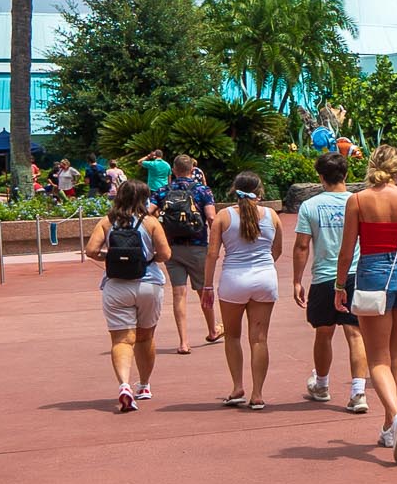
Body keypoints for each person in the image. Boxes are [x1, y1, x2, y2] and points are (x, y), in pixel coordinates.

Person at [336, 144, 397, 463]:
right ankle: (389, 425)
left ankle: (396, 415)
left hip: (373, 273)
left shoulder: (358, 200)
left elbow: (347, 251)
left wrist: (339, 285)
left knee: (376, 358)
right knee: (394, 353)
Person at [84, 179, 172, 413]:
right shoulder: (151, 222)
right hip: (149, 284)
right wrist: (143, 257)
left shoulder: (106, 222)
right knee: (145, 337)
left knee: (121, 340)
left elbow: (91, 250)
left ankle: (124, 384)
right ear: (144, 198)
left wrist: (112, 257)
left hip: (117, 286)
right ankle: (143, 385)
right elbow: (165, 254)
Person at [292, 152, 368, 413]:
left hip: (325, 275)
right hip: (356, 274)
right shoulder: (359, 202)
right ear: (345, 175)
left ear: (321, 177)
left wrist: (296, 280)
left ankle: (322, 384)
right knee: (355, 333)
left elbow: (302, 245)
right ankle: (358, 392)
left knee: (323, 331)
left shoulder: (310, 206)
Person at [205, 169, 281, 408]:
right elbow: (277, 250)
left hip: (233, 279)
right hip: (265, 278)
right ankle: (257, 394)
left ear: (234, 190)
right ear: (259, 191)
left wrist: (207, 285)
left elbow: (212, 254)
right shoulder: (272, 215)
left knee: (233, 335)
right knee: (259, 339)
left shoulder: (223, 216)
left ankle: (238, 386)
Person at [158, 165, 220, 353]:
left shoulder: (162, 191)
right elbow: (210, 216)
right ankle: (212, 329)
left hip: (172, 248)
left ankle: (183, 342)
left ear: (174, 170)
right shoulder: (202, 190)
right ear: (192, 170)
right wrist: (217, 241)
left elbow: (150, 212)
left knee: (179, 294)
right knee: (203, 290)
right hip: (197, 246)